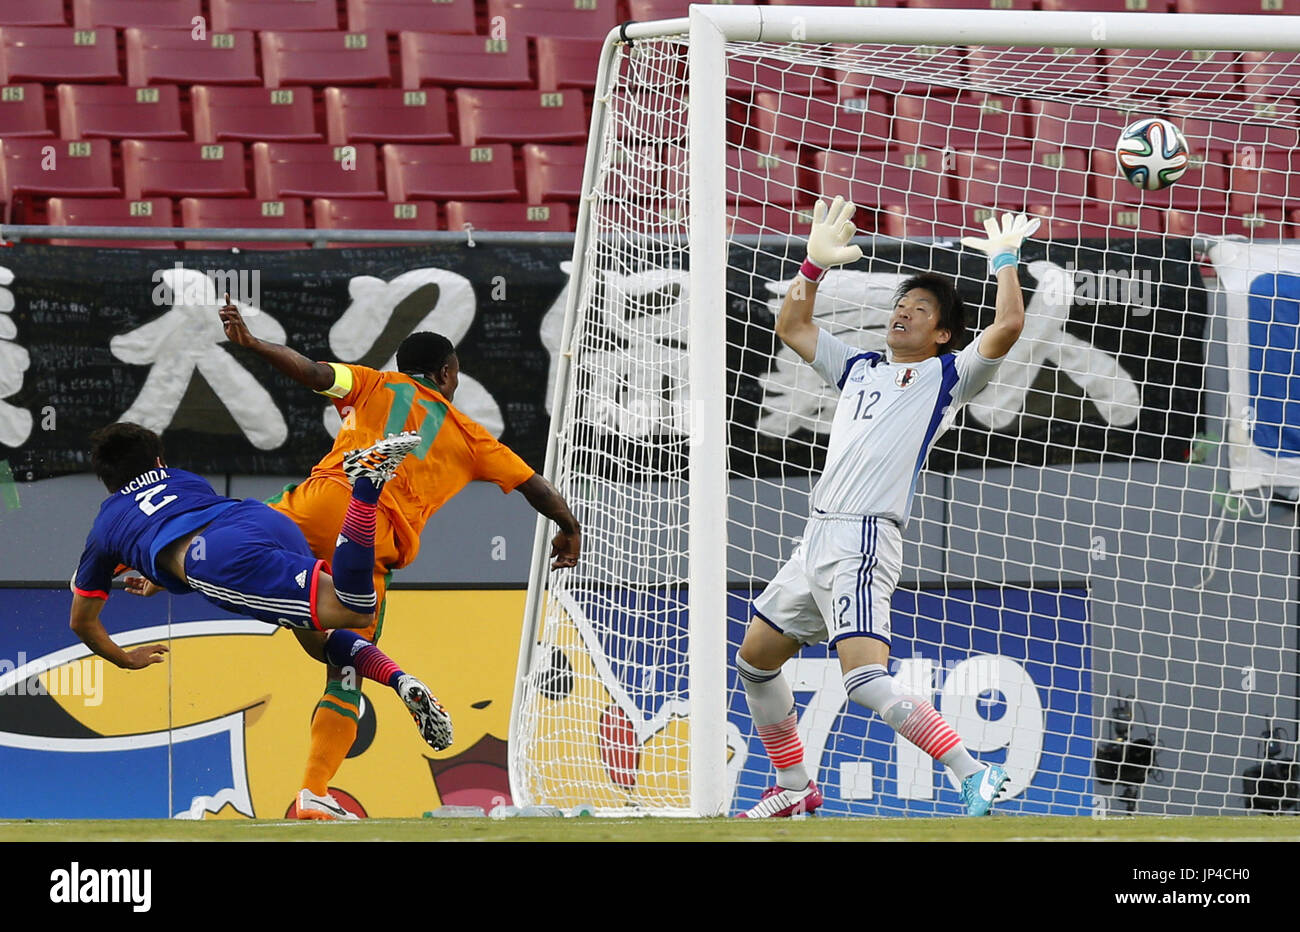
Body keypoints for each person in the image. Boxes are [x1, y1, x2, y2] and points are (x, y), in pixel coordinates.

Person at [218, 297, 581, 819]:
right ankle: (315, 790)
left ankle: (158, 569)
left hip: (316, 508)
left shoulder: (373, 384)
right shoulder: (471, 436)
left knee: (236, 548)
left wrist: (255, 345)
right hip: (370, 543)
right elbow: (535, 487)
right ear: (448, 373)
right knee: (342, 670)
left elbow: (314, 372)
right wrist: (570, 530)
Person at [735, 197, 1039, 818]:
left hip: (865, 541)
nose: (903, 311)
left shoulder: (947, 377)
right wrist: (812, 269)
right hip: (815, 539)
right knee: (755, 662)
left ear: (944, 333)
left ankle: (975, 773)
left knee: (865, 679)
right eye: (901, 304)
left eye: (920, 309)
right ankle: (795, 785)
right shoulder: (860, 368)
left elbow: (1008, 326)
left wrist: (1005, 260)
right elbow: (792, 328)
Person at [70, 422, 455, 816]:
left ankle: (366, 488)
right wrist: (159, 577)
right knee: (323, 642)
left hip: (220, 557)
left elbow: (82, 620)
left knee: (354, 608)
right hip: (259, 519)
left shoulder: (105, 528)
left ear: (107, 481)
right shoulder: (182, 478)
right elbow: (176, 525)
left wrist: (125, 658)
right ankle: (398, 681)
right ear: (158, 461)